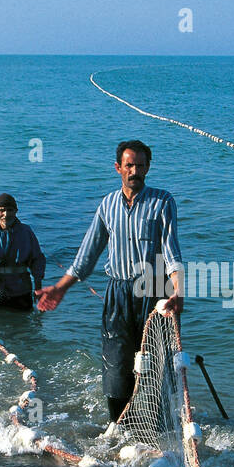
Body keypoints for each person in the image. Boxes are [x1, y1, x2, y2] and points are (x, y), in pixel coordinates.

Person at [37, 140, 183, 423]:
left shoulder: (163, 201)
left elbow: (172, 251)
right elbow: (87, 255)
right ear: (118, 168)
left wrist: (178, 291)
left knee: (155, 367)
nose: (135, 171)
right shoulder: (107, 205)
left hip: (155, 290)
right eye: (129, 165)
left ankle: (158, 432)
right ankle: (119, 430)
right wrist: (60, 288)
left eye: (141, 165)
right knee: (117, 365)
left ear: (148, 168)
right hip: (117, 291)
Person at [0, 193, 46, 311]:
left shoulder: (26, 232)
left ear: (16, 211)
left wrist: (38, 288)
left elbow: (37, 260)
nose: (6, 214)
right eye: (2, 210)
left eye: (10, 210)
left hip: (21, 291)